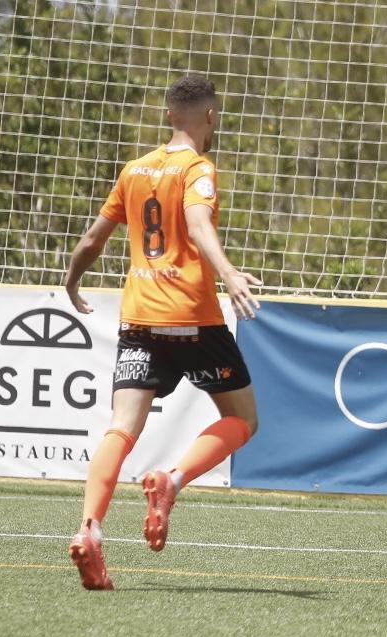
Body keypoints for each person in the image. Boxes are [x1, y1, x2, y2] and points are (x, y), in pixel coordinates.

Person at [63, 74, 263, 591]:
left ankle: (90, 529)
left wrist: (71, 280)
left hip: (140, 320)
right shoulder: (198, 169)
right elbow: (198, 227)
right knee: (242, 418)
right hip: (194, 320)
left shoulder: (134, 170)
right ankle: (171, 481)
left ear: (169, 114)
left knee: (121, 428)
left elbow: (92, 238)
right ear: (210, 117)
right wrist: (231, 275)